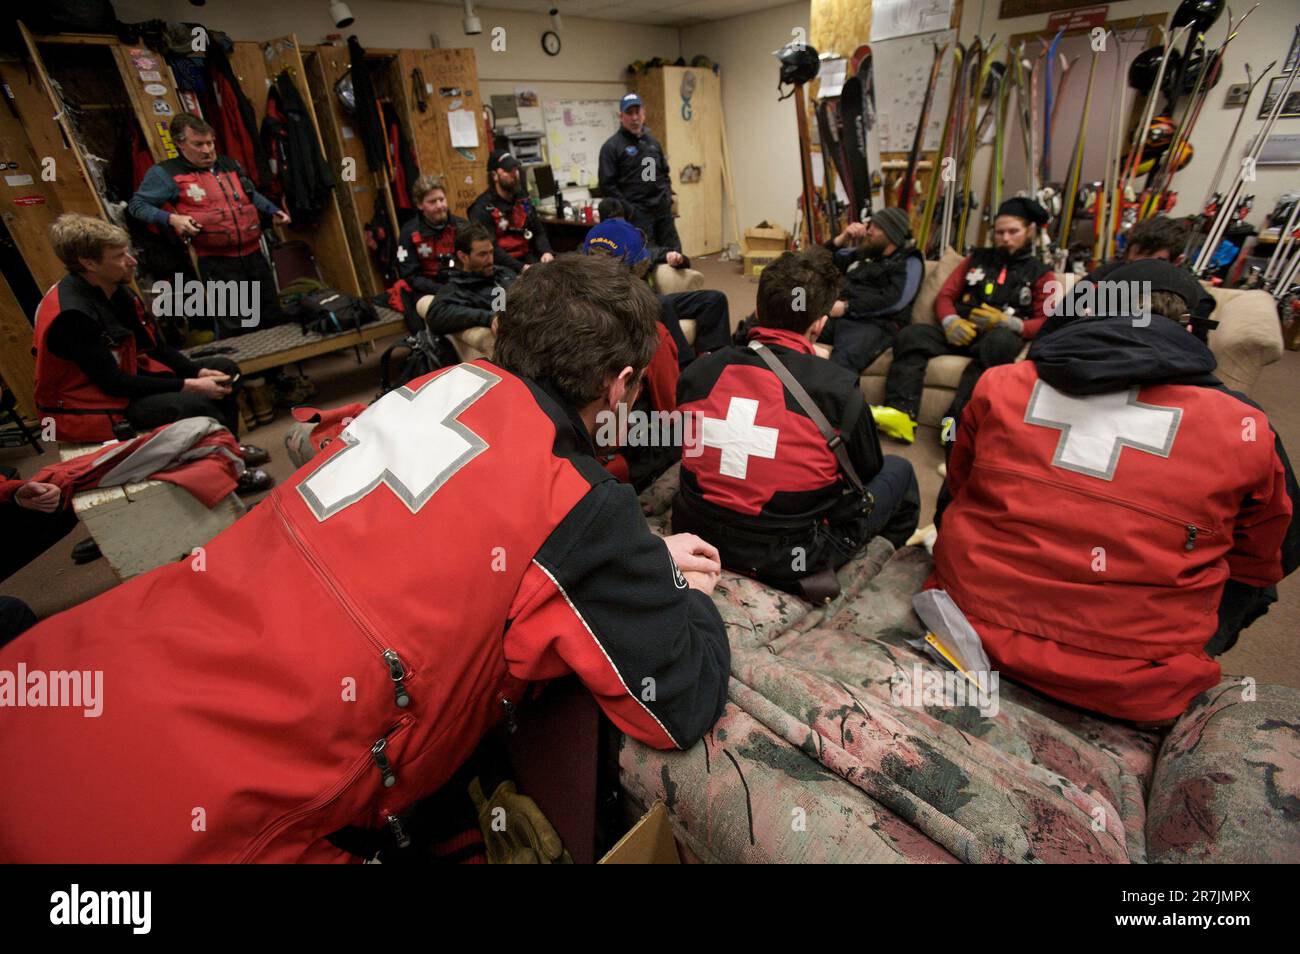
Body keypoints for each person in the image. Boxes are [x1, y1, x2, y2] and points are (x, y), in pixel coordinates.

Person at [0, 253, 731, 863]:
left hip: (68, 674)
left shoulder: (418, 390)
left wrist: (622, 553)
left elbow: (453, 532)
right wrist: (675, 585)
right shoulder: (577, 500)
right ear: (623, 386)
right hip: (169, 826)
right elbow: (678, 701)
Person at [929, 261, 1296, 725]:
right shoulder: (1246, 428)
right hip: (1135, 684)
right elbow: (1267, 556)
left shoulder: (998, 383)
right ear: (1189, 328)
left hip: (964, 630)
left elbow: (955, 493)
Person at [673, 248, 920, 602]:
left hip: (696, 531)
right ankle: (876, 576)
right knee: (900, 471)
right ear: (819, 323)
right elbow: (866, 473)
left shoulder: (698, 371)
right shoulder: (839, 388)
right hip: (789, 558)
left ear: (759, 310)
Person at [34, 214, 273, 493]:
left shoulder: (116, 290)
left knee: (224, 370)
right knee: (194, 405)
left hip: (126, 377)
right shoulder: (73, 315)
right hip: (91, 402)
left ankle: (229, 451)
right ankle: (231, 475)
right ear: (89, 264)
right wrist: (189, 385)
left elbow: (155, 348)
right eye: (120, 255)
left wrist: (195, 372)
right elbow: (111, 383)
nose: (132, 261)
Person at [874, 197, 1054, 443]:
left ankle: (953, 430)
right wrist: (949, 321)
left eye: (1013, 232)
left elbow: (1047, 320)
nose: (1006, 239)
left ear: (1030, 231)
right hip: (959, 331)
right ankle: (901, 414)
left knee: (1000, 344)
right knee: (911, 335)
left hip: (996, 339)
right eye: (1000, 232)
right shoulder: (975, 259)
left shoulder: (1042, 274)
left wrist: (1009, 323)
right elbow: (945, 295)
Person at [128, 113, 287, 338]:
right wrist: (173, 219)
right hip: (217, 261)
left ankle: (277, 373)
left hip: (253, 254)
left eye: (210, 143)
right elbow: (137, 205)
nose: (207, 150)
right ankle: (244, 373)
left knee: (271, 315)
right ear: (180, 144)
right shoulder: (166, 173)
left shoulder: (228, 164)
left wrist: (273, 210)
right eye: (198, 144)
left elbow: (249, 194)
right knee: (239, 323)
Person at [582, 218, 730, 368]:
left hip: (652, 298)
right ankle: (686, 366)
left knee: (714, 299)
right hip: (628, 304)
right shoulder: (587, 259)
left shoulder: (638, 249)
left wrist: (677, 259)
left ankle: (716, 361)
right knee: (663, 304)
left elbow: (669, 255)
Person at [1041, 215, 1195, 339]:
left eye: (1153, 263)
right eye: (1135, 259)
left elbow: (1192, 354)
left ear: (1177, 261)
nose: (1140, 270)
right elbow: (1052, 327)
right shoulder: (1100, 279)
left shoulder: (1193, 297)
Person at [820, 208, 925, 376]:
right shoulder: (865, 253)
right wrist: (843, 238)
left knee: (840, 367)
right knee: (790, 327)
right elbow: (819, 263)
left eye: (876, 227)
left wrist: (847, 307)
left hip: (873, 324)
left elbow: (895, 300)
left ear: (890, 234)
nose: (868, 230)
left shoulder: (909, 260)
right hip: (839, 318)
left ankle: (824, 402)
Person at [396, 174, 519, 297]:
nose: (440, 206)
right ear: (419, 205)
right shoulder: (409, 233)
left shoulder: (462, 226)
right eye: (432, 202)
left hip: (464, 285)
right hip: (429, 292)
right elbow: (411, 277)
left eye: (442, 199)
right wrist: (445, 290)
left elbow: (477, 260)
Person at [598, 93, 681, 254]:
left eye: (638, 112)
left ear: (644, 114)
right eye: (630, 113)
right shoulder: (611, 147)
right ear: (621, 116)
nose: (635, 117)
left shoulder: (652, 143)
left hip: (661, 211)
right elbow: (607, 186)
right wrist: (629, 210)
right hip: (637, 214)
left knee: (674, 255)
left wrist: (667, 197)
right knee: (646, 259)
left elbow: (663, 174)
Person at [423, 225, 516, 336]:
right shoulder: (457, 289)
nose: (490, 260)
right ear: (463, 257)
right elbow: (435, 315)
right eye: (482, 254)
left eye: (491, 252)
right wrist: (489, 317)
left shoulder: (504, 273)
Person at [467, 150, 554, 268]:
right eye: (509, 170)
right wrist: (520, 267)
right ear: (494, 176)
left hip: (529, 258)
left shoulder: (523, 199)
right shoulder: (482, 208)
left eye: (515, 169)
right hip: (502, 266)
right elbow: (490, 249)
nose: (515, 173)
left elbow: (538, 232)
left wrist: (546, 252)